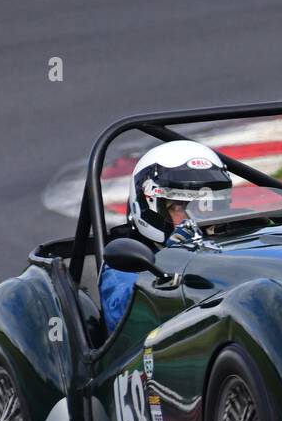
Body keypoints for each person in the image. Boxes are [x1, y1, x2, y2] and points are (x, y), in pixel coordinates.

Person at [99, 140, 232, 333]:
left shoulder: (233, 247)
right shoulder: (124, 260)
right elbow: (124, 318)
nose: (194, 217)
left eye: (208, 206)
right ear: (148, 207)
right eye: (178, 207)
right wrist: (175, 261)